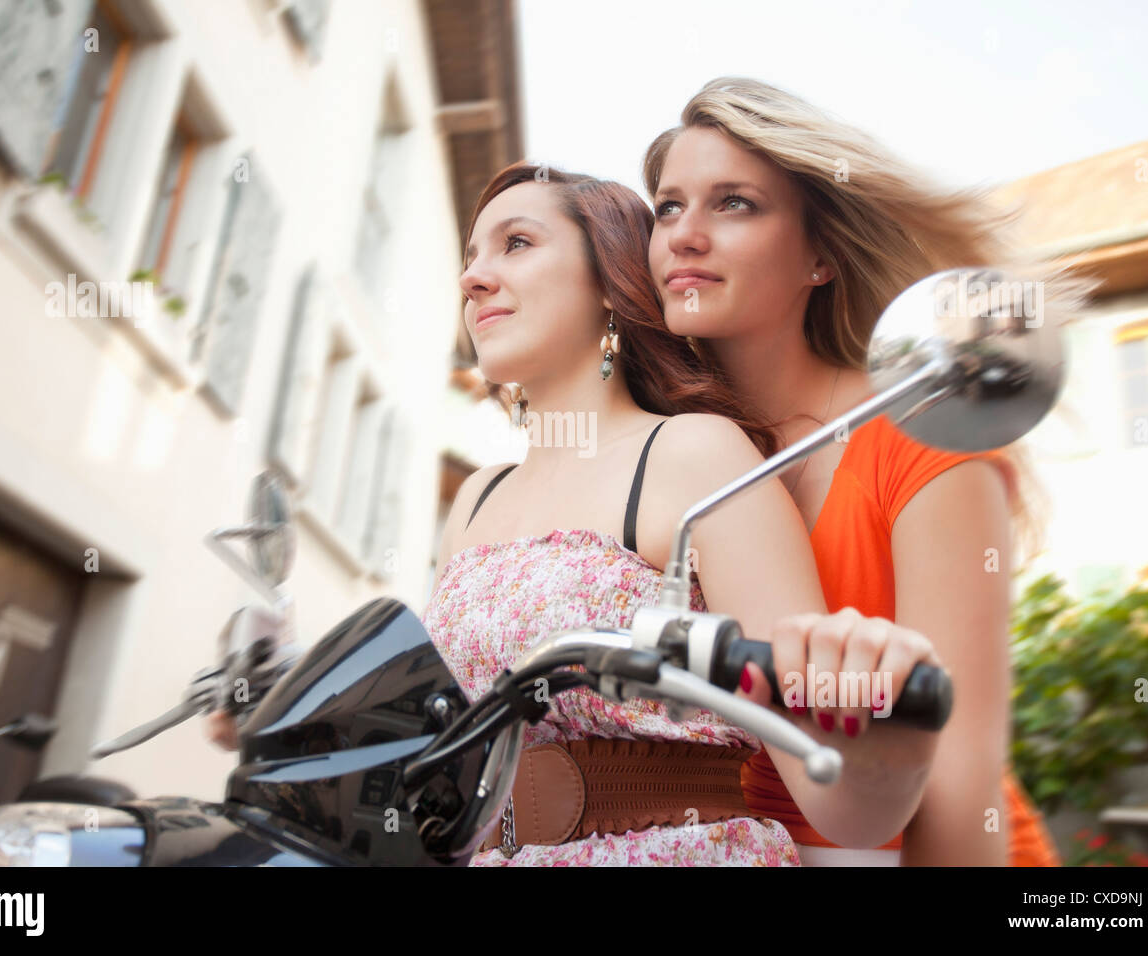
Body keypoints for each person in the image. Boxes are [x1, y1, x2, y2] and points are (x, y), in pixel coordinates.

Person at [424, 161, 949, 866]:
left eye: (516, 243)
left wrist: (896, 751)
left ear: (610, 280)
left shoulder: (694, 454)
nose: (474, 277)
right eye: (471, 257)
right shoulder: (474, 499)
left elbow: (832, 790)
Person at [643, 76, 1072, 866]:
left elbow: (955, 777)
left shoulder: (923, 433)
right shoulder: (669, 454)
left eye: (733, 202)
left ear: (821, 256)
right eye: (668, 206)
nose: (685, 235)